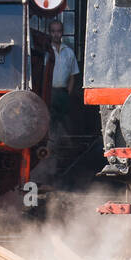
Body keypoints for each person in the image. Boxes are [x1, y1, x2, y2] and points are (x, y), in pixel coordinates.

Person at [32, 19, 80, 184]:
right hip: (47, 92)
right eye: (53, 31)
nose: (55, 34)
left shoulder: (69, 52)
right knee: (48, 126)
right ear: (49, 32)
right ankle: (45, 164)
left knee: (61, 126)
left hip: (62, 92)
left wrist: (69, 91)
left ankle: (59, 163)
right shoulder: (43, 51)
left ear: (62, 33)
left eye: (58, 31)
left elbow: (73, 74)